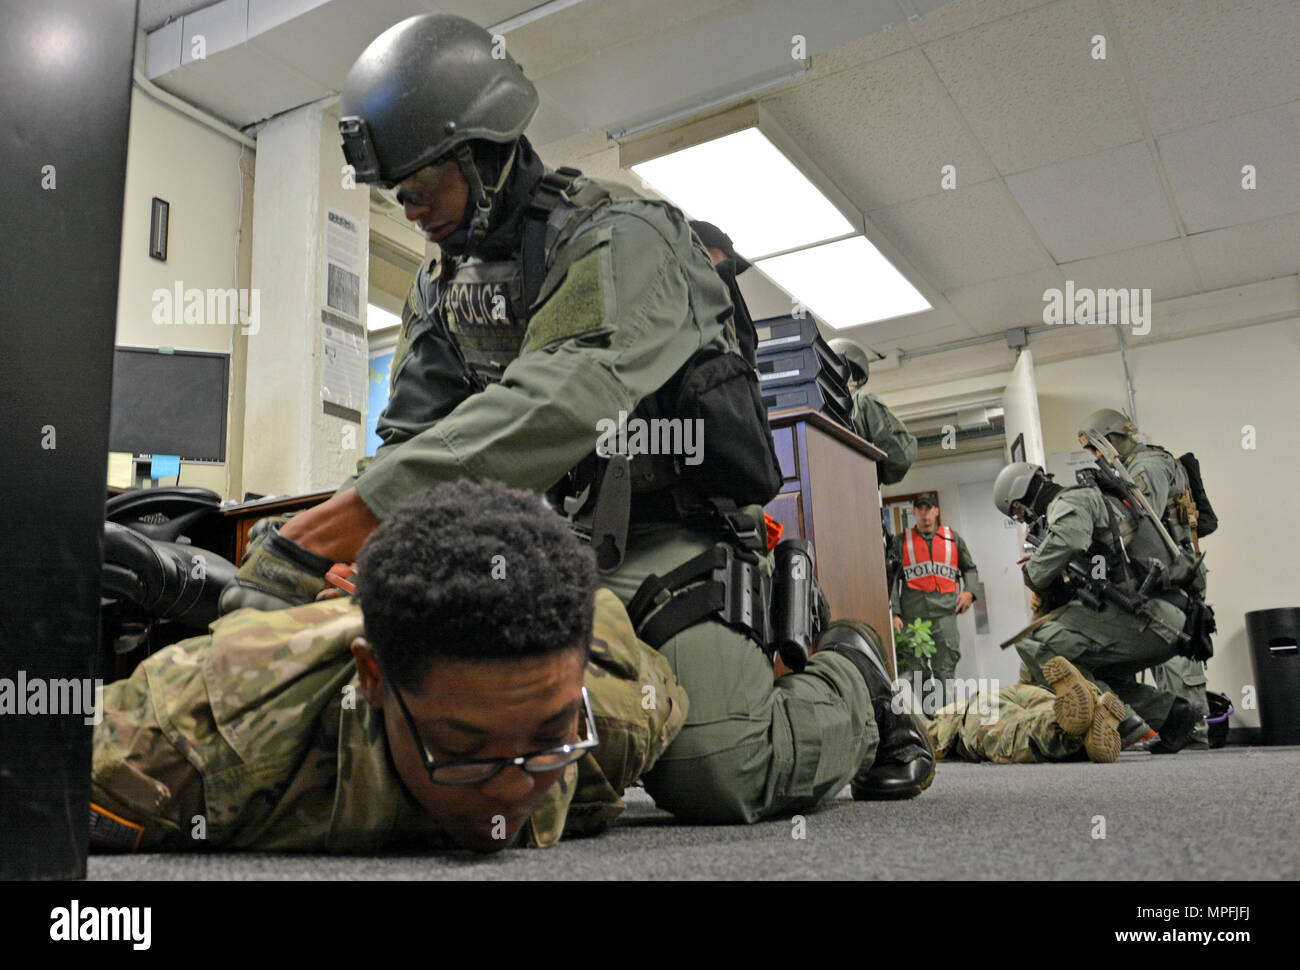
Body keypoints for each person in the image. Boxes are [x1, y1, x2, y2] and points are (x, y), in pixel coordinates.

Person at [217, 12, 934, 824]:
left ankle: (856, 671)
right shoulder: (442, 286)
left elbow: (561, 401)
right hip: (549, 546)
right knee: (437, 722)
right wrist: (370, 555)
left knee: (721, 773)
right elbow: (412, 444)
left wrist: (323, 532)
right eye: (397, 192)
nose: (408, 206)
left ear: (483, 152)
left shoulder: (626, 238)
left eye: (420, 183)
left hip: (675, 544)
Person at [90, 481, 687, 853]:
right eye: (464, 749)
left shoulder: (616, 719)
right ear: (372, 680)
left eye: (547, 741)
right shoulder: (191, 735)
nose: (510, 791)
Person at [992, 462, 1198, 754]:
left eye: (1018, 513)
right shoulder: (1097, 500)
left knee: (1034, 643)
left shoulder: (1072, 500)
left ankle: (1121, 722)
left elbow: (1069, 540)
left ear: (1021, 500)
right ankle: (1171, 714)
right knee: (1086, 670)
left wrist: (1035, 572)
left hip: (1149, 616)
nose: (1024, 519)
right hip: (1163, 618)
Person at [1078, 409, 1210, 747]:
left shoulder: (1147, 466)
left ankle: (1193, 733)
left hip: (1175, 572)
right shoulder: (1132, 466)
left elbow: (1137, 520)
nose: (1095, 455)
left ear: (1113, 439)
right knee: (1158, 649)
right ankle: (1176, 728)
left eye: (1097, 447)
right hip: (1157, 571)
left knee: (1176, 653)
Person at [925, 658, 1127, 764]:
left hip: (971, 712)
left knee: (1010, 733)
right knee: (1051, 709)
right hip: (1021, 692)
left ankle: (1070, 733)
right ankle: (1093, 706)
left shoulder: (926, 732)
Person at [889, 493, 980, 706]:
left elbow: (970, 568)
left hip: (945, 615)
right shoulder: (901, 541)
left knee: (944, 669)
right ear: (914, 512)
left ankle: (948, 718)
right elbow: (892, 579)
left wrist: (970, 592)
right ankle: (932, 719)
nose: (924, 514)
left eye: (928, 509)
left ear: (936, 511)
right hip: (913, 618)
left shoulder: (952, 538)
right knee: (916, 670)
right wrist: (894, 612)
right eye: (920, 509)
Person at [827, 337, 917, 485]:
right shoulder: (862, 402)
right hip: (857, 492)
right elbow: (900, 458)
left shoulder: (809, 406)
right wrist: (875, 472)